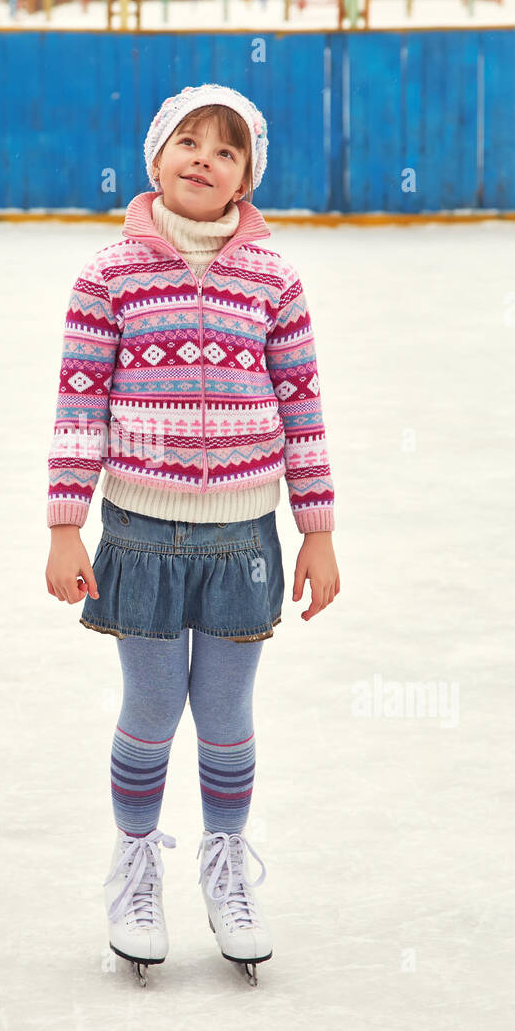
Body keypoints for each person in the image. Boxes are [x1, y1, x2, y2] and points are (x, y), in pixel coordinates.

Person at [44, 83, 340, 980]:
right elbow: (77, 403)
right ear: (156, 158)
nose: (204, 158)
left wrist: (316, 529)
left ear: (248, 176)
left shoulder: (275, 279)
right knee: (149, 706)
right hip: (137, 531)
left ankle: (226, 867)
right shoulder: (108, 273)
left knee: (223, 712)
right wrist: (66, 524)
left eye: (226, 149)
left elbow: (304, 406)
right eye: (188, 142)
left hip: (242, 539)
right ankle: (136, 862)